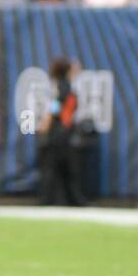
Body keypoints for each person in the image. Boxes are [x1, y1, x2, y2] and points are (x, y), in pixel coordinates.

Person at [38, 57, 87, 207]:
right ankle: (50, 200)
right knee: (54, 169)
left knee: (59, 169)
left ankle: (63, 200)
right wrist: (46, 123)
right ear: (68, 70)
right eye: (74, 67)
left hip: (61, 134)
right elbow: (55, 106)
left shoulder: (65, 86)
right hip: (59, 135)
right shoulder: (63, 87)